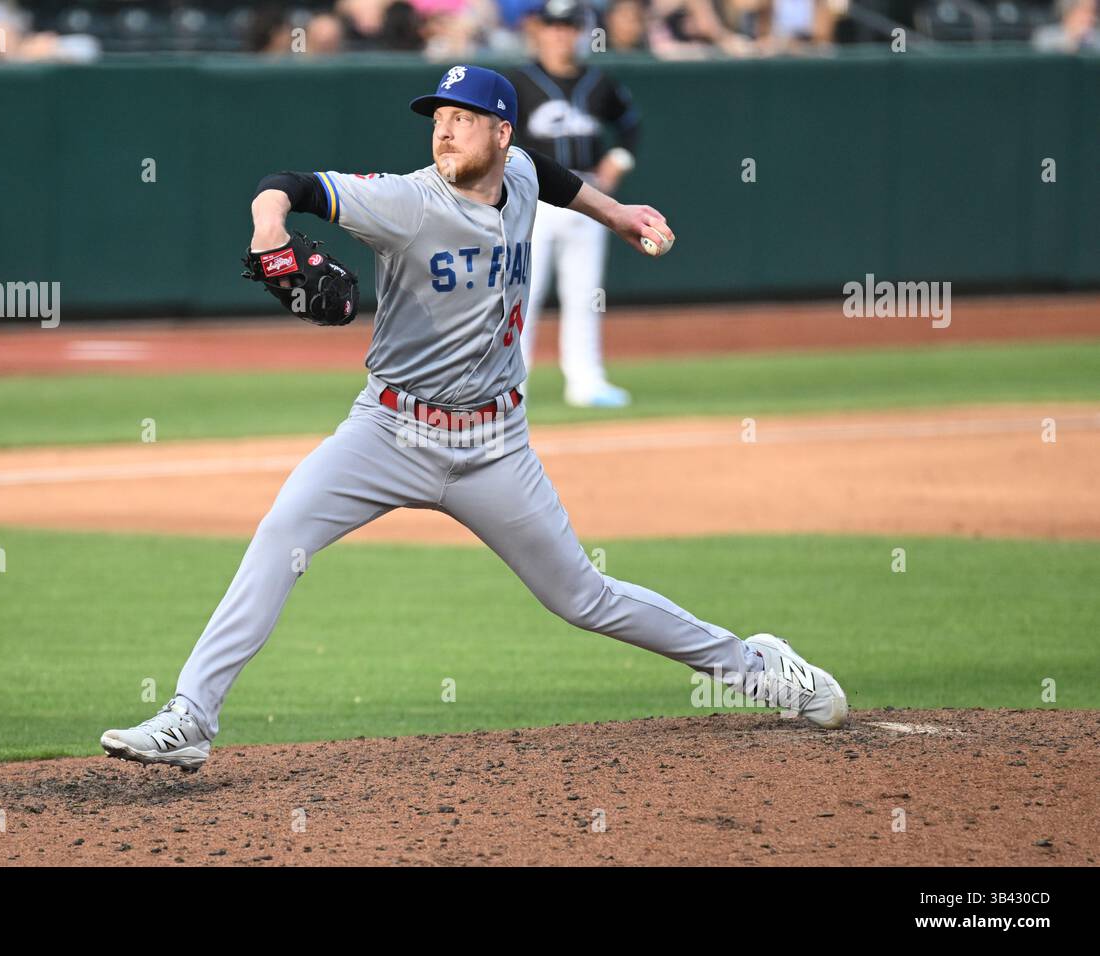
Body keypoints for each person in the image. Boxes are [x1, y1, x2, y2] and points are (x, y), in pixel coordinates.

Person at [100, 64, 847, 771]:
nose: (446, 131)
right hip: (387, 432)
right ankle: (191, 718)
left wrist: (616, 213)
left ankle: (759, 667)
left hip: (495, 447)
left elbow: (553, 179)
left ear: (502, 136)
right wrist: (269, 231)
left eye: (465, 119)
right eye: (439, 118)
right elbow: (287, 184)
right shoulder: (405, 201)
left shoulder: (519, 176)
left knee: (584, 597)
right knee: (280, 536)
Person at [508, 0, 642, 408]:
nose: (560, 34)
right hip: (534, 196)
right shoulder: (518, 81)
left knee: (584, 295)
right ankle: (513, 385)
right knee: (521, 295)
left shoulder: (598, 82)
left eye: (568, 26)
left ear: (578, 31)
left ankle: (586, 381)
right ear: (539, 30)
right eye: (553, 26)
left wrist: (619, 159)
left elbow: (630, 126)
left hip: (588, 196)